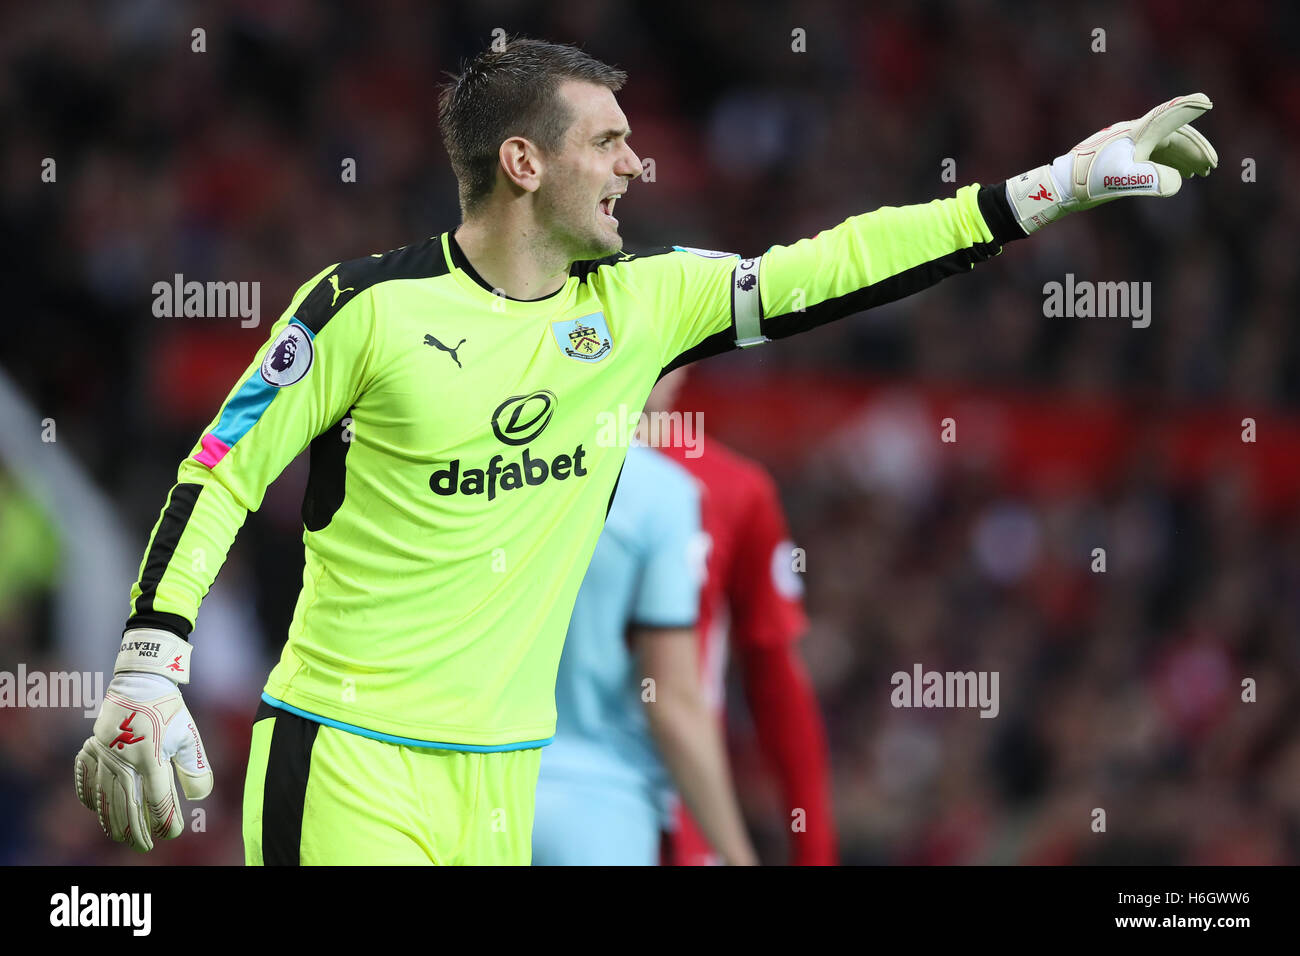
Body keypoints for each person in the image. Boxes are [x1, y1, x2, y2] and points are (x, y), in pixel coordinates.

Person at [73, 34, 1218, 864]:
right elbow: (216, 472)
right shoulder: (360, 309)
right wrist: (149, 656)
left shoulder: (644, 305)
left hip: (504, 776)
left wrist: (1050, 189)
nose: (636, 165)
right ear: (523, 162)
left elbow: (841, 262)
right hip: (345, 756)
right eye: (609, 142)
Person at [531, 441, 757, 865]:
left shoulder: (486, 468)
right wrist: (738, 855)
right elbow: (672, 701)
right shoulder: (660, 492)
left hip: (476, 787)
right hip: (603, 813)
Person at [649, 369, 838, 866]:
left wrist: (814, 854)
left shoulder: (733, 489)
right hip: (524, 806)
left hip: (679, 824)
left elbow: (778, 686)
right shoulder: (517, 470)